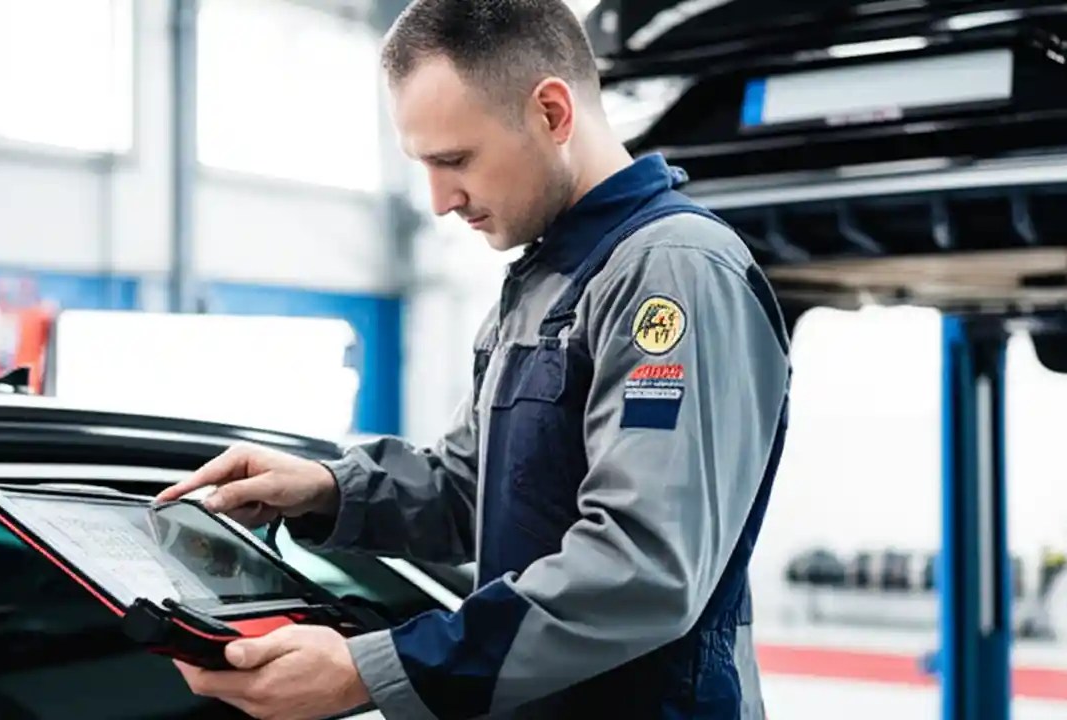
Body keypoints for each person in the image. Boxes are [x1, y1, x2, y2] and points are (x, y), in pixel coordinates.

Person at [154, 1, 792, 718]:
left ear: (552, 112)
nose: (437, 200)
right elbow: (475, 488)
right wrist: (329, 489)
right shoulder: (547, 278)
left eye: (454, 160)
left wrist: (374, 670)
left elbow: (642, 569)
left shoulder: (671, 272)